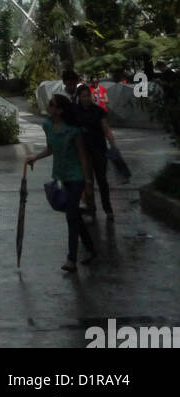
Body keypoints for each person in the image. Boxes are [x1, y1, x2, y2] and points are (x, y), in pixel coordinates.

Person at [24, 92, 96, 273]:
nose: (49, 106)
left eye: (52, 104)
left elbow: (82, 157)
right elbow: (51, 148)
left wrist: (87, 183)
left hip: (77, 176)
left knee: (71, 215)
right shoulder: (47, 125)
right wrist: (35, 157)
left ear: (60, 110)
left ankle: (71, 259)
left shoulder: (73, 130)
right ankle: (91, 249)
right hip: (62, 176)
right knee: (75, 216)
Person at [75, 83, 117, 217]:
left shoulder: (98, 111)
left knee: (102, 180)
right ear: (79, 97)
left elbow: (106, 129)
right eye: (83, 96)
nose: (86, 98)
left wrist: (113, 145)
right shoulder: (75, 112)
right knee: (88, 182)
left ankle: (108, 208)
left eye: (88, 96)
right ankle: (91, 210)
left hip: (99, 150)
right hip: (83, 152)